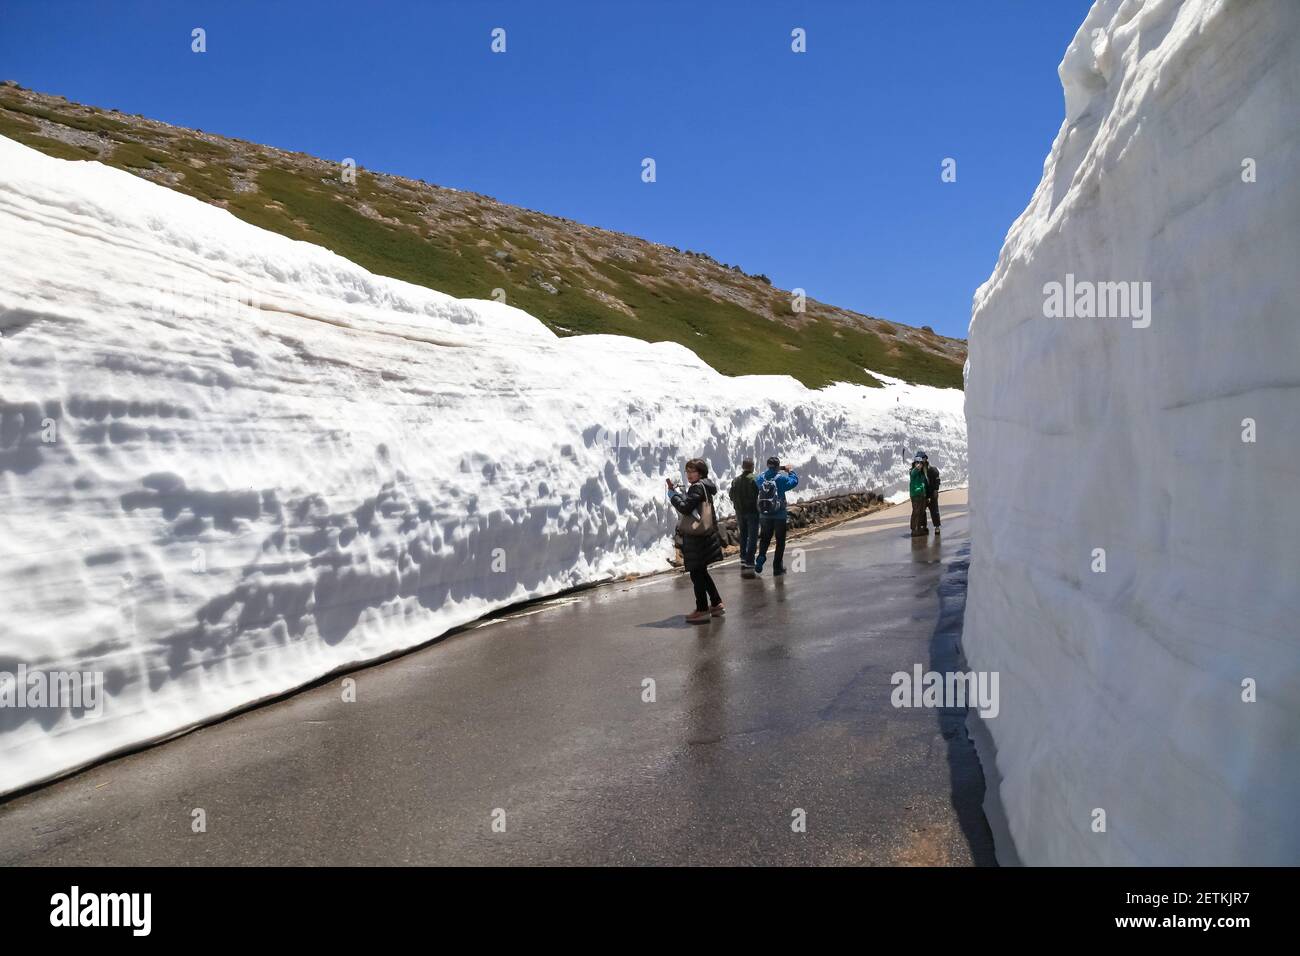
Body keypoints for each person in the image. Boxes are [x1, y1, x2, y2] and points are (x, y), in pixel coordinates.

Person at [667, 457, 726, 624]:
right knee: (701, 572)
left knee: (696, 573)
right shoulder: (705, 486)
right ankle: (716, 603)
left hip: (697, 537)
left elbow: (685, 508)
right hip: (706, 535)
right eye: (687, 471)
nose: (689, 474)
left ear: (700, 472)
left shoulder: (697, 488)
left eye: (692, 471)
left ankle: (702, 610)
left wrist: (673, 496)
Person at [754, 456, 799, 575]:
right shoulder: (780, 479)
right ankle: (777, 567)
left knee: (765, 539)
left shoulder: (761, 478)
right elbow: (794, 482)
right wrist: (790, 471)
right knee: (780, 541)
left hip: (764, 515)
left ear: (768, 465)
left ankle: (761, 558)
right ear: (778, 466)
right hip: (780, 516)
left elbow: (757, 481)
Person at [729, 458, 760, 577]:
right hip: (752, 511)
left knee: (743, 535)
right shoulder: (754, 479)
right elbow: (760, 492)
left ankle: (743, 557)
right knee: (752, 536)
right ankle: (750, 560)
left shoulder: (735, 480)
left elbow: (731, 495)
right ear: (752, 466)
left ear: (742, 467)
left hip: (739, 512)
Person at [920, 452, 942, 534]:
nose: (921, 461)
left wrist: (936, 490)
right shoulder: (919, 471)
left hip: (932, 493)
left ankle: (937, 526)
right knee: (922, 511)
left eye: (922, 458)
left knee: (934, 510)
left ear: (926, 459)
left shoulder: (933, 470)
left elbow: (937, 480)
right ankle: (923, 526)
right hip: (923, 494)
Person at [909, 454, 930, 536]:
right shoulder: (913, 471)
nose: (919, 464)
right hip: (915, 495)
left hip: (922, 495)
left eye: (920, 463)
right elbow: (913, 473)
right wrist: (917, 467)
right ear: (914, 463)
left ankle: (920, 527)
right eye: (917, 462)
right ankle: (914, 529)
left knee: (922, 511)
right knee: (916, 512)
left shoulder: (922, 473)